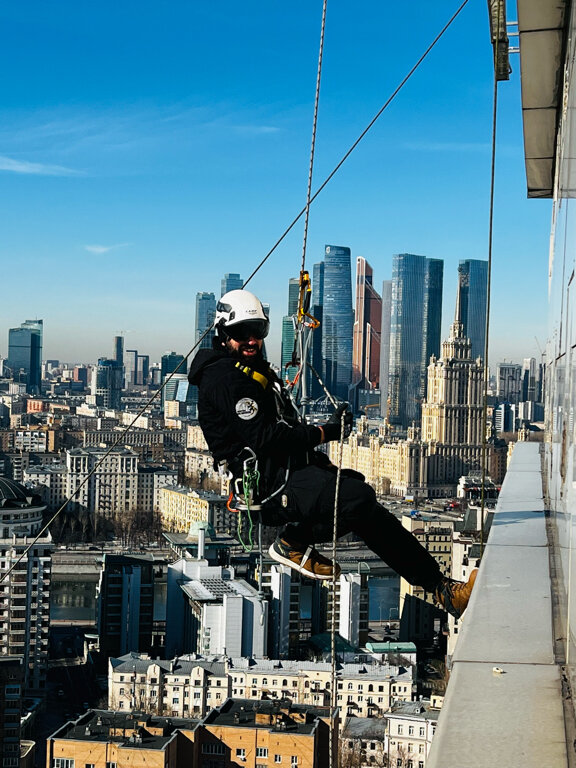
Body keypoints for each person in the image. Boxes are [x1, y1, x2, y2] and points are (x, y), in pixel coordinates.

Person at [188, 289, 477, 618]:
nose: (252, 340)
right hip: (268, 486)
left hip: (284, 472)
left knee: (367, 507)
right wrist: (326, 432)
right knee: (355, 498)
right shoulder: (223, 378)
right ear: (223, 333)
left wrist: (318, 456)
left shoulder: (245, 370)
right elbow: (265, 437)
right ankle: (292, 543)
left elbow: (276, 428)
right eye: (242, 333)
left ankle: (443, 590)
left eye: (259, 332)